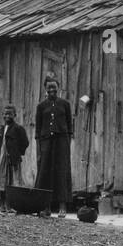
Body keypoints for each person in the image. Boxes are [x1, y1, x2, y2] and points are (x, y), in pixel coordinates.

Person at [34, 77, 73, 217]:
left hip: (61, 142)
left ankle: (62, 206)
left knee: (62, 172)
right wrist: (40, 147)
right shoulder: (41, 106)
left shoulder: (65, 104)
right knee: (46, 172)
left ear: (58, 88)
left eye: (54, 87)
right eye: (49, 87)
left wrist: (67, 142)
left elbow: (69, 126)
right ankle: (46, 207)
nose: (51, 90)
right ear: (45, 89)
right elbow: (38, 129)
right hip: (46, 142)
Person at [0, 105, 30, 214]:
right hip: (2, 159)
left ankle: (10, 205)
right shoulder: (1, 129)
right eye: (5, 114)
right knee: (2, 181)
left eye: (10, 114)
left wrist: (17, 153)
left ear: (15, 115)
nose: (7, 116)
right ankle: (1, 205)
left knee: (13, 181)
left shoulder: (18, 129)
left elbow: (25, 143)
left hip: (12, 160)